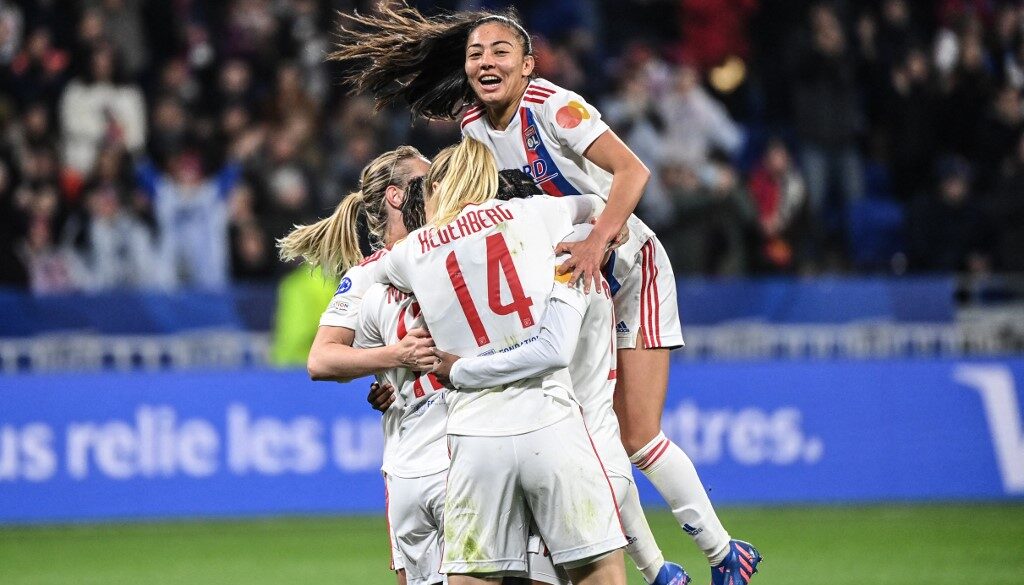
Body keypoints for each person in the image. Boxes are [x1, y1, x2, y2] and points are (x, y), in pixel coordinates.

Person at [329, 6, 761, 583]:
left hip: (627, 260)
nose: (486, 61)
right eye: (476, 54)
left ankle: (718, 552)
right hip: (573, 277)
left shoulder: (553, 106)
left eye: (500, 52)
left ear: (528, 65)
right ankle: (664, 568)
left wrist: (595, 243)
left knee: (637, 434)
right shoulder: (472, 132)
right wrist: (400, 375)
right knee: (588, 430)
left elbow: (632, 173)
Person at [373, 138, 625, 585]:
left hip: (475, 440)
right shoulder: (532, 214)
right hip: (549, 423)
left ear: (436, 190)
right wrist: (603, 232)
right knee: (597, 574)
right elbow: (597, 205)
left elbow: (372, 272)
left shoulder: (412, 253)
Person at [278, 145, 436, 585]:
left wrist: (389, 373)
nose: (439, 189)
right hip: (413, 460)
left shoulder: (450, 250)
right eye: (426, 182)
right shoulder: (368, 276)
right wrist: (393, 359)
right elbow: (321, 358)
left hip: (473, 446)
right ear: (396, 196)